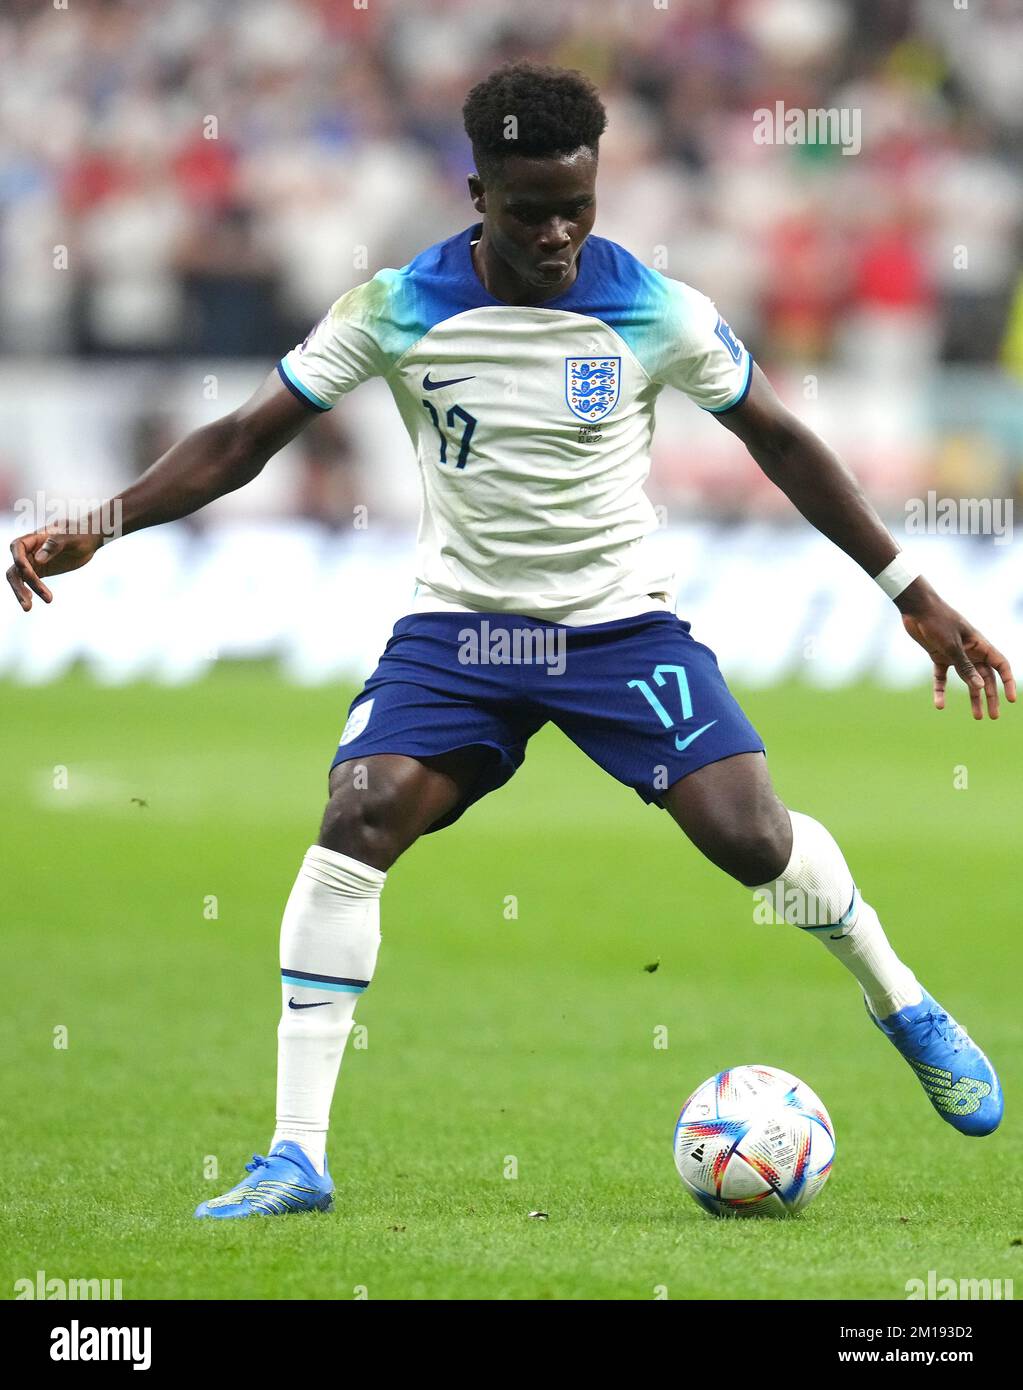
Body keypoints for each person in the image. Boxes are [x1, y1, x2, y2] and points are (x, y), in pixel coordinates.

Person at [8, 64, 1013, 1221]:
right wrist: (104, 522)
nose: (557, 232)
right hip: (461, 631)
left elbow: (781, 441)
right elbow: (244, 438)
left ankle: (900, 999)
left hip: (619, 627)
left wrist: (910, 588)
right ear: (478, 191)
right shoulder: (397, 305)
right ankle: (295, 1155)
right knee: (358, 813)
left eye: (577, 205)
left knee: (749, 839)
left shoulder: (654, 308)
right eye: (530, 208)